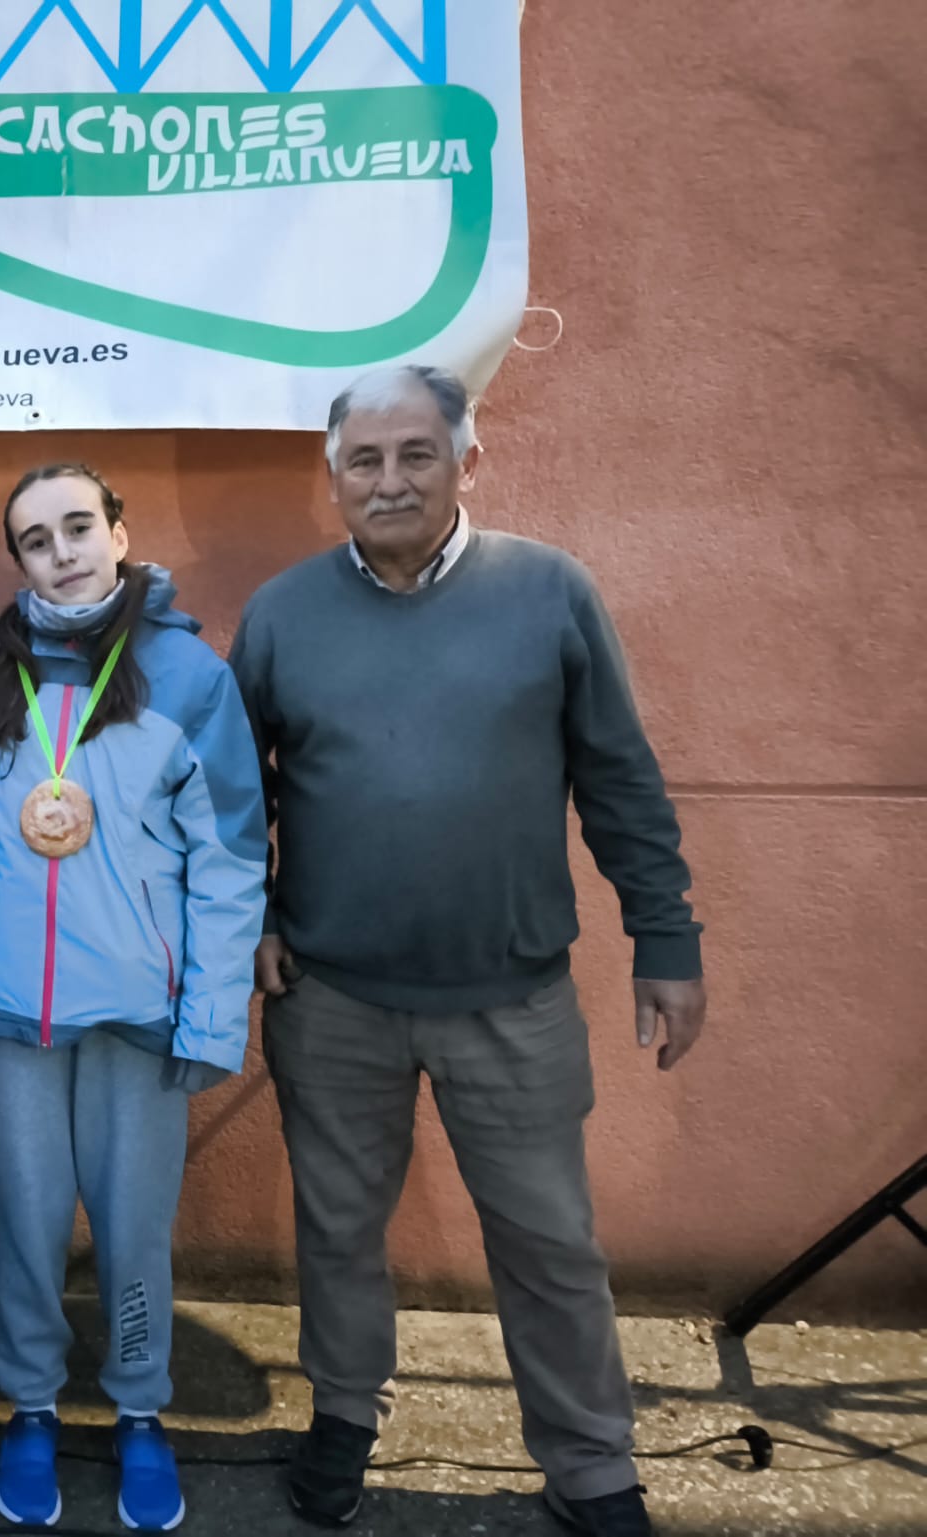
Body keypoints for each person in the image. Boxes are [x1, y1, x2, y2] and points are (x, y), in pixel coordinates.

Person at [231, 365, 707, 1537]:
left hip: (511, 997)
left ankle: (591, 1462)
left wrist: (665, 931)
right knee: (337, 1229)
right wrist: (253, 921)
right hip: (331, 994)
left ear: (465, 463)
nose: (387, 480)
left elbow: (618, 777)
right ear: (333, 476)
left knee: (547, 1240)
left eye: (414, 455)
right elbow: (236, 797)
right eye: (363, 461)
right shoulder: (282, 614)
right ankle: (342, 1413)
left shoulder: (548, 593)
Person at [0, 464, 267, 1531]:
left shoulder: (188, 676)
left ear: (119, 533)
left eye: (77, 527)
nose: (61, 551)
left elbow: (231, 857)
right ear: (19, 561)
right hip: (16, 1015)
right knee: (28, 1222)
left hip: (138, 1014)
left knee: (134, 1228)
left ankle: (140, 1407)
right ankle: (35, 1402)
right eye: (35, 539)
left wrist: (209, 1016)